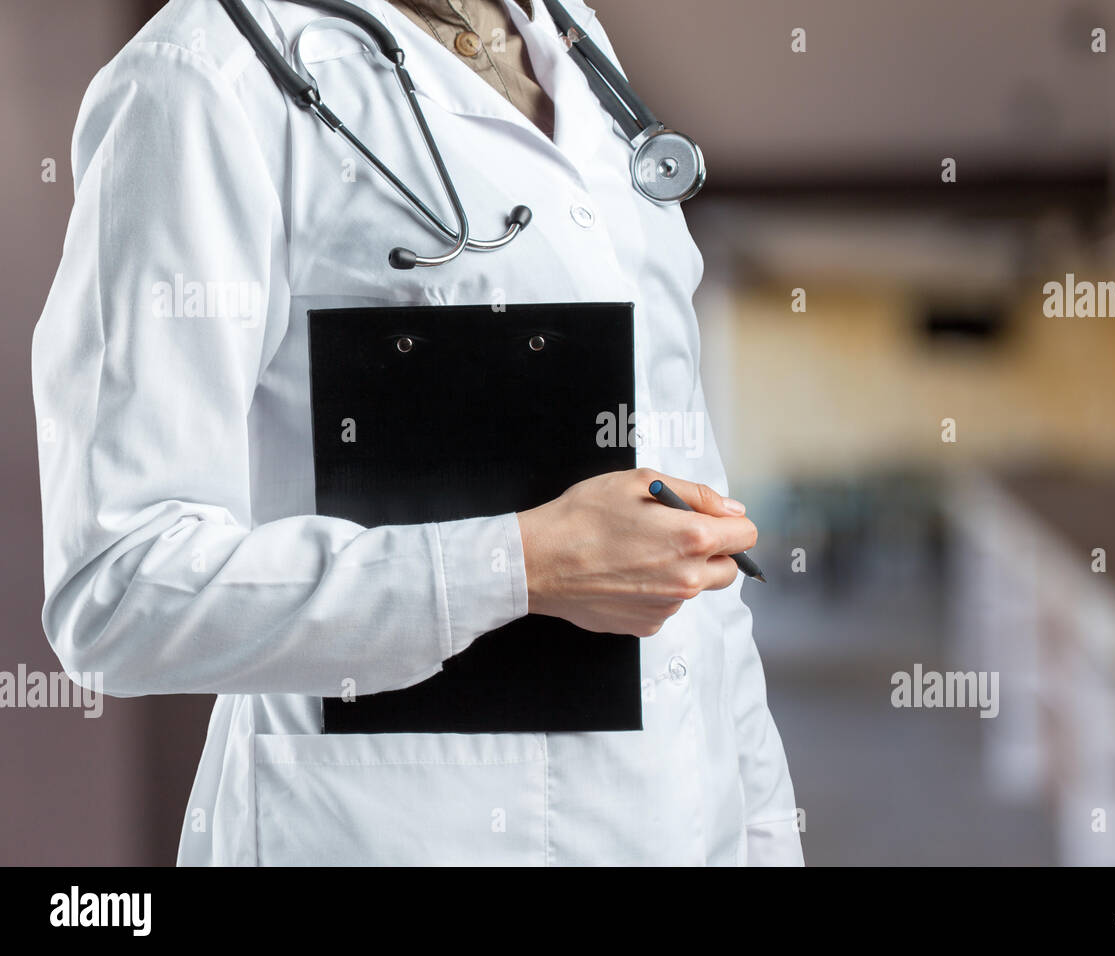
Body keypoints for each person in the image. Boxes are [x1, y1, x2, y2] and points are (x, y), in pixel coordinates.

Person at [31, 0, 803, 866]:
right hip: (385, 831)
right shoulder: (201, 71)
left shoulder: (566, 36)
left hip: (679, 821)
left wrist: (766, 837)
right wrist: (523, 565)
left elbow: (701, 550)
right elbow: (120, 591)